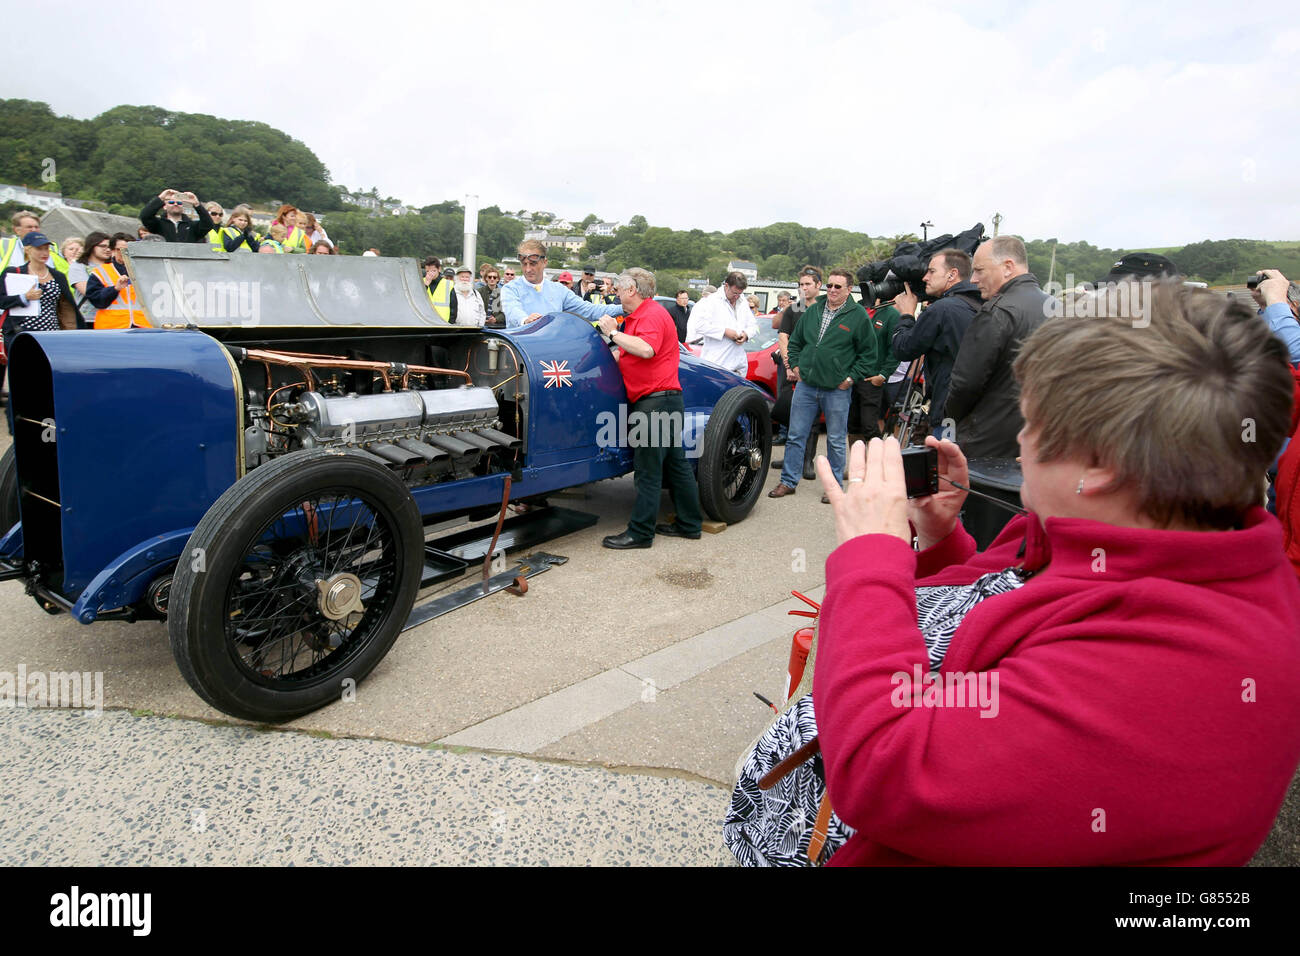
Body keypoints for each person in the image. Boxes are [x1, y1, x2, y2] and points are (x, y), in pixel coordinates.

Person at [811, 282, 1300, 865]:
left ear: (1097, 468)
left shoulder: (1178, 671)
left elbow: (883, 773)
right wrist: (945, 543)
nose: (1019, 444)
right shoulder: (1132, 531)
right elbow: (1015, 622)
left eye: (1032, 424)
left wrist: (871, 556)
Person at [595, 268, 702, 549]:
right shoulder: (643, 316)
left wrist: (613, 333)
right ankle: (690, 524)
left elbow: (645, 349)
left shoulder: (650, 314)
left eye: (619, 288)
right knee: (675, 465)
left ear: (632, 290)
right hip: (663, 400)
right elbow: (627, 354)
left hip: (655, 402)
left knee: (648, 470)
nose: (616, 292)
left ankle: (641, 533)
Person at [769, 268, 876, 503]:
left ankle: (834, 487)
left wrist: (849, 379)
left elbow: (868, 355)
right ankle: (788, 481)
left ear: (849, 290)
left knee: (836, 440)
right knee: (796, 435)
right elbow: (795, 341)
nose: (832, 290)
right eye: (829, 285)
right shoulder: (813, 310)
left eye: (838, 286)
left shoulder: (858, 316)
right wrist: (796, 366)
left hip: (836, 390)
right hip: (806, 386)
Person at [945, 236, 1049, 458]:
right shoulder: (1057, 308)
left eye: (980, 270)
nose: (973, 279)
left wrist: (953, 420)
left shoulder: (998, 312)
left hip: (988, 443)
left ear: (1008, 267)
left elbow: (965, 384)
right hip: (1039, 442)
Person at [890, 248, 982, 437]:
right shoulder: (981, 304)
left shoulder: (942, 309)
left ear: (952, 274)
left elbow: (903, 348)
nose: (925, 277)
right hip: (975, 410)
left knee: (944, 464)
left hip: (947, 408)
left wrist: (907, 314)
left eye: (931, 271)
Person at [0, 232, 81, 431]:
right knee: (22, 383)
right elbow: (1, 300)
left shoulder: (58, 275)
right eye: (39, 248)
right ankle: (16, 425)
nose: (44, 252)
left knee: (47, 382)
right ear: (28, 250)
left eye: (46, 248)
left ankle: (45, 423)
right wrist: (23, 297)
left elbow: (66, 307)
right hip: (23, 335)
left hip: (52, 336)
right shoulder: (14, 272)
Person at [500, 239, 622, 329]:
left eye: (532, 264)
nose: (527, 269)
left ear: (545, 262)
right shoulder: (510, 288)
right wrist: (525, 320)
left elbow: (589, 310)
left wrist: (624, 308)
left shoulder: (559, 290)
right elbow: (512, 310)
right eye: (524, 264)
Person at [685, 271, 757, 376]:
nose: (737, 297)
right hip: (716, 363)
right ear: (726, 286)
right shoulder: (710, 301)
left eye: (740, 293)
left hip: (738, 365)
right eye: (735, 293)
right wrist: (724, 331)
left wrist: (746, 335)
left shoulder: (743, 302)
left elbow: (753, 325)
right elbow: (699, 325)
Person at [85, 234, 148, 328]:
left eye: (128, 250)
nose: (124, 253)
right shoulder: (100, 272)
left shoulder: (145, 272)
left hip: (142, 325)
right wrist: (114, 289)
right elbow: (96, 300)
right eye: (120, 249)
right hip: (111, 327)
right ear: (112, 251)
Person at [0, 210, 69, 276]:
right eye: (29, 227)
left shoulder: (52, 248)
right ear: (17, 230)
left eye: (36, 227)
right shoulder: (4, 245)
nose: (34, 230)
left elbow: (64, 273)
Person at [139, 189, 215, 243]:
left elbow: (208, 224)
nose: (175, 204)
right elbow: (145, 216)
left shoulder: (192, 226)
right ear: (164, 206)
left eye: (179, 203)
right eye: (171, 202)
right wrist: (160, 198)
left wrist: (197, 205)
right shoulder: (158, 224)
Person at [422, 256, 454, 321]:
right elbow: (416, 300)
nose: (430, 274)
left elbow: (453, 308)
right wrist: (425, 285)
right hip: (425, 322)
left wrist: (450, 326)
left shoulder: (449, 284)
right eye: (428, 271)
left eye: (433, 271)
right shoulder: (421, 281)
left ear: (439, 269)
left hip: (443, 325)